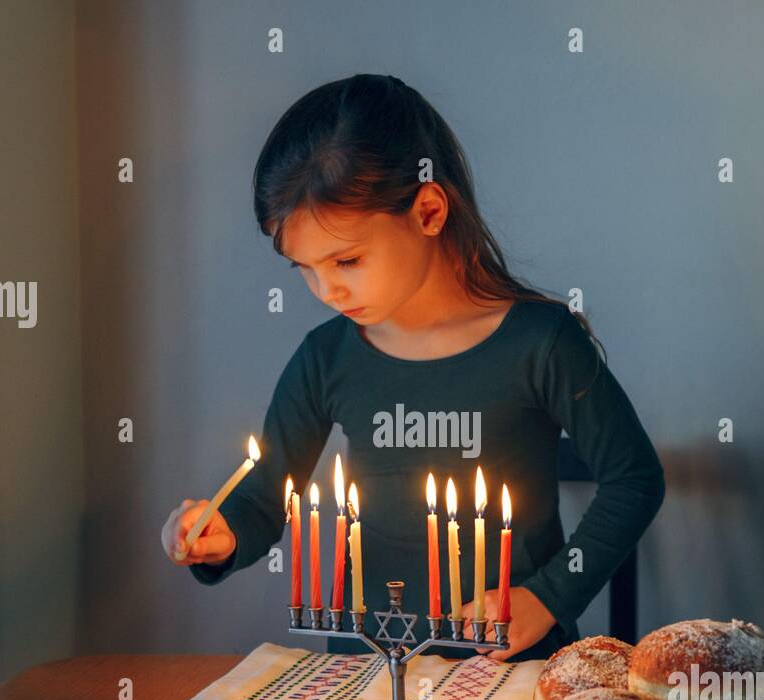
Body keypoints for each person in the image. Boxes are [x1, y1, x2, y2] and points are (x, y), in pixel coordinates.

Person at [161, 74, 664, 664]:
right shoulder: (327, 356)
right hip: (366, 664)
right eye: (305, 267)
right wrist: (221, 533)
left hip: (507, 665)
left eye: (347, 259)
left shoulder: (540, 343)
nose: (327, 290)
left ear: (427, 210)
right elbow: (266, 495)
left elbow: (634, 479)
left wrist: (547, 597)